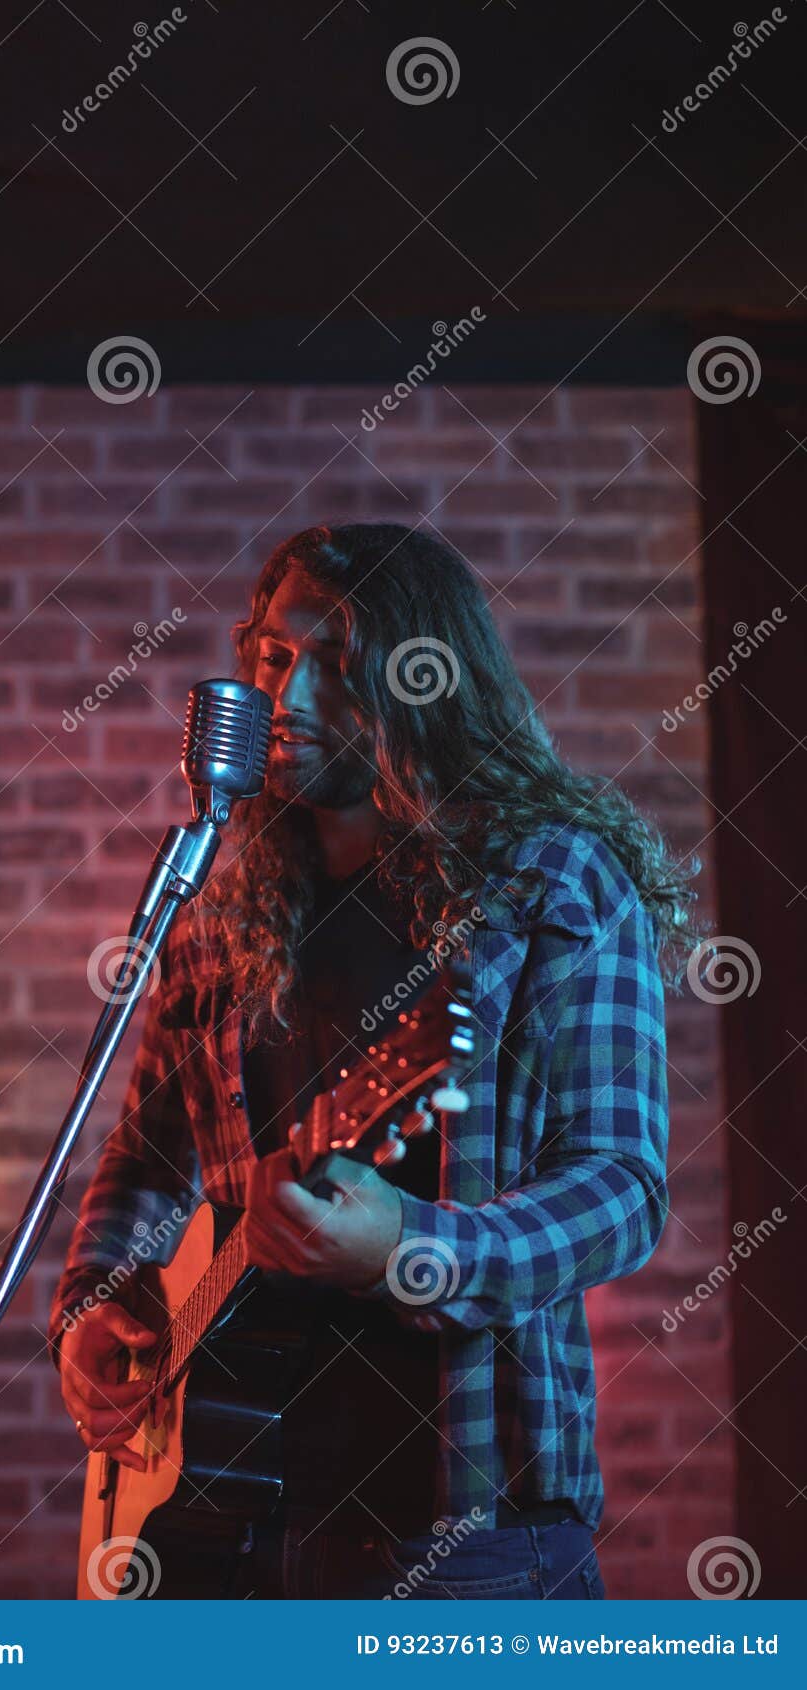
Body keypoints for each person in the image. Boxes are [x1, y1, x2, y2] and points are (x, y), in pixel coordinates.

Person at [49, 522, 698, 1599]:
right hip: (215, 1523)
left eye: (339, 667)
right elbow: (142, 1160)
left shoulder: (550, 884)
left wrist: (411, 1246)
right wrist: (92, 1308)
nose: (286, 699)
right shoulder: (217, 918)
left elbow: (621, 1189)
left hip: (465, 1534)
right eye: (272, 657)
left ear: (428, 685)